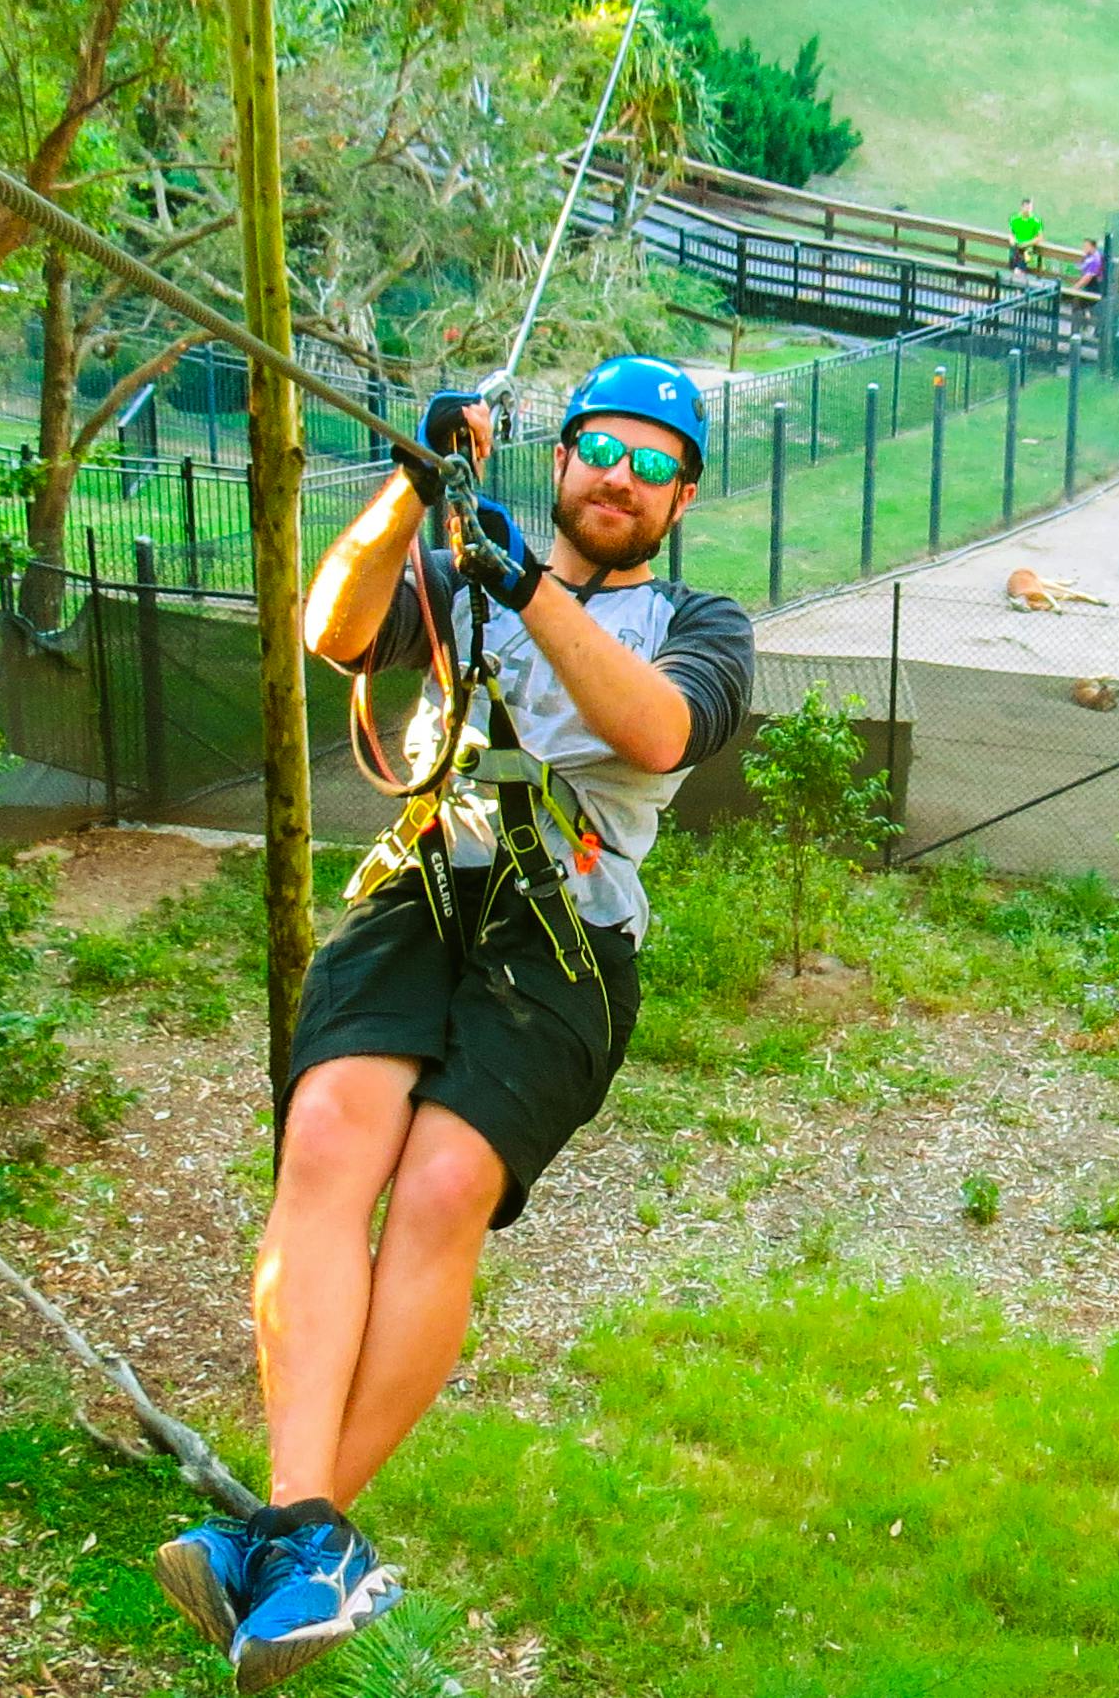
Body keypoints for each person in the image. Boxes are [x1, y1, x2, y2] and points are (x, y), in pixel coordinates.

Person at [153, 356, 754, 1692]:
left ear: (681, 498)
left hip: (565, 931)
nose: (620, 477)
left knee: (438, 1187)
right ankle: (308, 1538)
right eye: (603, 448)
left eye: (654, 465)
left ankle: (276, 1537)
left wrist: (524, 588)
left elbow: (656, 734)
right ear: (562, 459)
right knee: (323, 1137)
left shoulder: (698, 620)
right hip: (430, 880)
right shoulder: (454, 569)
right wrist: (407, 496)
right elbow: (332, 626)